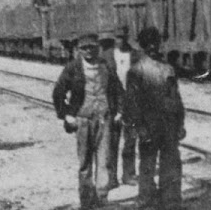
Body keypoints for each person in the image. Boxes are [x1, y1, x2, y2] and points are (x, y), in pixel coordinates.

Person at [52, 33, 124, 209]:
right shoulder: (73, 68)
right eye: (84, 48)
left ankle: (101, 198)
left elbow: (119, 90)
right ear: (79, 50)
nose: (89, 51)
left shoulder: (106, 66)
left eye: (92, 47)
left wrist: (120, 111)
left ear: (98, 48)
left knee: (104, 161)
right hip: (83, 120)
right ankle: (86, 201)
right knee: (85, 163)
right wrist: (66, 114)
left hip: (104, 119)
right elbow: (58, 93)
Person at [124, 27, 186, 209]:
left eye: (155, 43)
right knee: (148, 165)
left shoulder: (168, 69)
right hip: (148, 125)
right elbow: (132, 103)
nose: (152, 47)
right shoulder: (136, 70)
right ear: (143, 46)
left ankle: (172, 201)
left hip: (169, 125)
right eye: (148, 44)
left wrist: (180, 123)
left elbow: (176, 98)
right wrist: (139, 127)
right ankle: (147, 200)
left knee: (172, 164)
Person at [103, 26, 140, 188]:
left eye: (123, 38)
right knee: (112, 142)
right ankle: (111, 178)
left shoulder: (136, 55)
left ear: (127, 38)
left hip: (132, 104)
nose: (120, 41)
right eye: (118, 38)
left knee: (130, 141)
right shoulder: (106, 56)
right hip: (112, 105)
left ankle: (128, 175)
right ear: (114, 38)